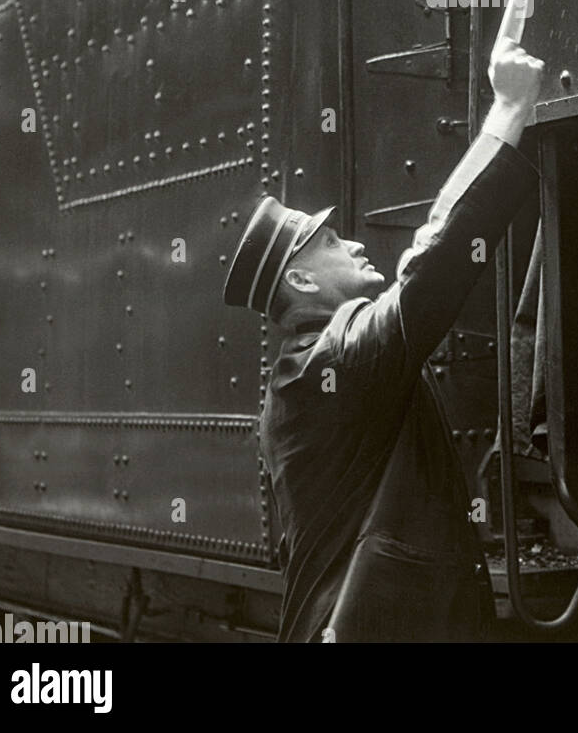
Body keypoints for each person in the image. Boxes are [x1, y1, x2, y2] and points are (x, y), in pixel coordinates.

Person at [222, 36, 543, 641]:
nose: (356, 244)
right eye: (333, 243)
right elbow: (432, 270)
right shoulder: (329, 364)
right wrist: (507, 110)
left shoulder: (302, 372)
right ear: (300, 278)